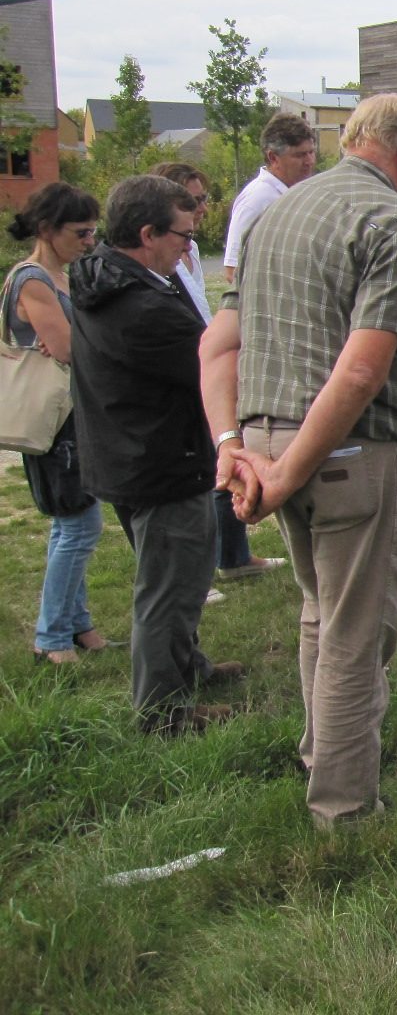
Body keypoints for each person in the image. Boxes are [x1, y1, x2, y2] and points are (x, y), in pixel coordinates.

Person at [200, 93, 397, 828]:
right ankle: (345, 809)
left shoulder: (277, 212)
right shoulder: (395, 221)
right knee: (355, 632)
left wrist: (233, 447)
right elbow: (362, 372)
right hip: (346, 454)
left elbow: (216, 345)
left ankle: (319, 751)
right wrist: (292, 468)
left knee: (321, 610)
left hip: (273, 443)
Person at [71, 176, 242, 734]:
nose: (189, 248)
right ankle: (162, 712)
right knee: (169, 589)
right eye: (183, 236)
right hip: (161, 462)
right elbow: (208, 365)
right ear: (147, 234)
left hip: (127, 454)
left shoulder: (103, 277)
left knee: (177, 579)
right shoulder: (142, 306)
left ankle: (187, 667)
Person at [149, 162, 286, 591]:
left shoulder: (185, 252)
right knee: (210, 466)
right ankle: (194, 575)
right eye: (194, 200)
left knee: (223, 455)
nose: (204, 208)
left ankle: (232, 554)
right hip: (185, 371)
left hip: (207, 358)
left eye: (203, 198)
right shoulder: (158, 256)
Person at [5, 183, 109, 665]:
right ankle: (50, 638)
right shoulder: (32, 280)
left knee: (72, 519)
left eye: (93, 231)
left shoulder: (61, 276)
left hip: (72, 416)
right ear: (47, 229)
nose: (90, 241)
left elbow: (74, 342)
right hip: (54, 424)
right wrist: (80, 341)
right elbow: (69, 349)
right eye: (81, 232)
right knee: (79, 524)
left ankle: (78, 625)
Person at [221, 112, 317, 282]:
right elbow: (233, 270)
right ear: (273, 157)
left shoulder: (301, 192)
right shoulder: (257, 200)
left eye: (311, 152)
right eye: (300, 155)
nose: (309, 161)